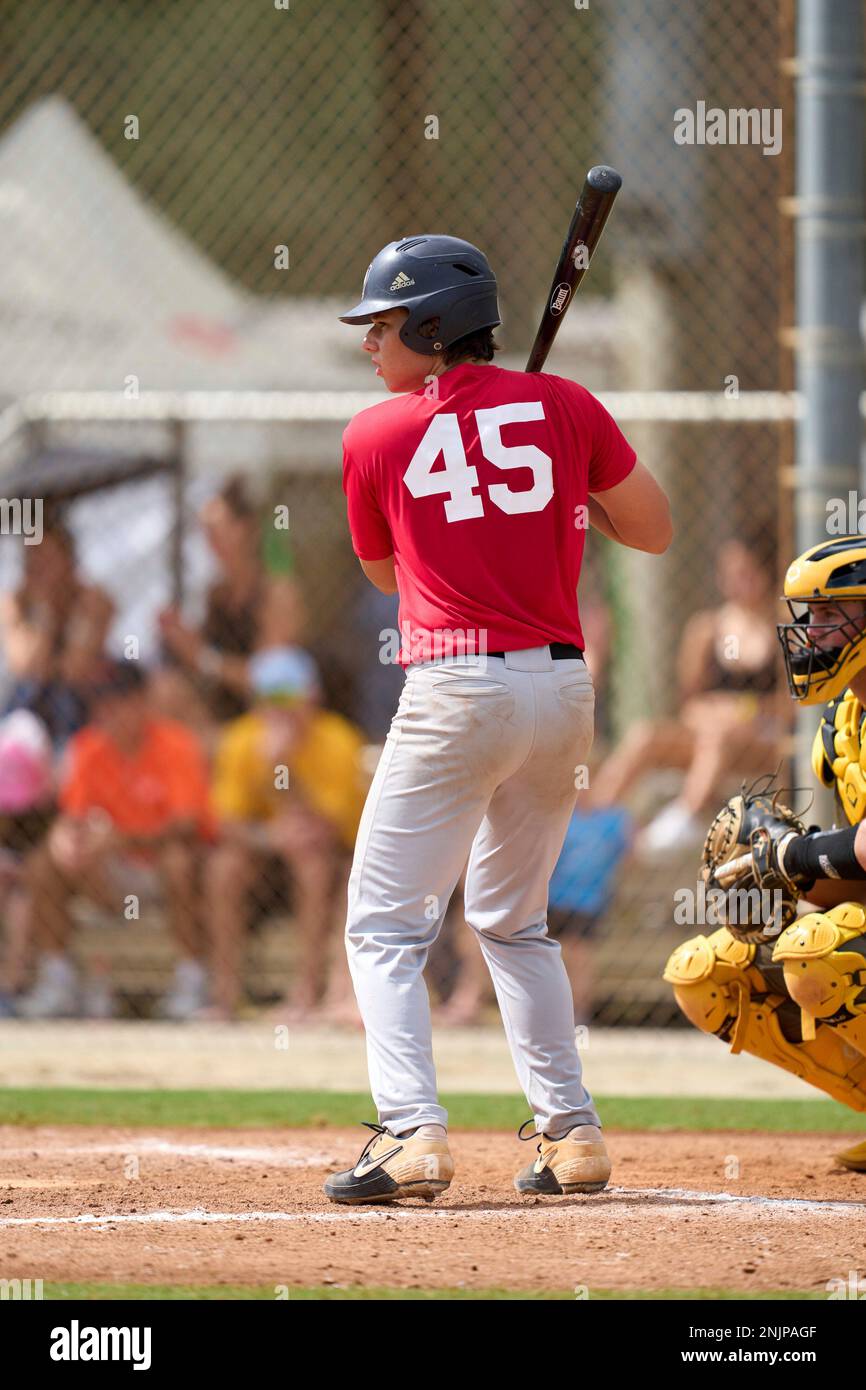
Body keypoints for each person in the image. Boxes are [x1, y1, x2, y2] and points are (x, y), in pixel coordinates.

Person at [322, 234, 672, 1204]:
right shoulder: (564, 407)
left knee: (386, 926)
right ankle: (570, 1132)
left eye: (384, 326)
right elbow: (650, 526)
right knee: (514, 922)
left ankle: (410, 1134)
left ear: (432, 329)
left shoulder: (373, 435)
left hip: (454, 688)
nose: (369, 345)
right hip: (559, 692)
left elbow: (385, 572)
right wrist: (567, 487)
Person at [665, 532, 866, 1172]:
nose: (813, 631)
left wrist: (800, 857)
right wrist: (783, 885)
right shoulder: (840, 727)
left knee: (820, 958)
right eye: (810, 615)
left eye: (832, 615)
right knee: (708, 974)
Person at [18, 660, 212, 1019]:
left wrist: (122, 840)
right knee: (43, 863)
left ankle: (191, 979)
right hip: (106, 873)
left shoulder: (175, 744)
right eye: (101, 703)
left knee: (179, 860)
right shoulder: (89, 747)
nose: (108, 712)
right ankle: (57, 980)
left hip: (159, 873)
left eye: (118, 701)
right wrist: (65, 842)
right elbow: (72, 818)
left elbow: (187, 825)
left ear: (142, 701)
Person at [588, 535, 786, 851]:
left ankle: (683, 818)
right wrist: (718, 714)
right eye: (728, 573)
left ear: (766, 574)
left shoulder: (783, 629)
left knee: (720, 737)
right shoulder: (707, 628)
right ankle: (594, 819)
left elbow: (794, 705)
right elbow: (690, 704)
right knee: (645, 736)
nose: (734, 582)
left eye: (745, 573)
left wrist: (744, 709)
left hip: (763, 739)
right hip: (709, 734)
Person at [205, 646, 368, 1020]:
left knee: (312, 864)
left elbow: (328, 831)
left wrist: (283, 769)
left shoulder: (338, 740)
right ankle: (225, 996)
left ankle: (305, 992)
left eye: (288, 697)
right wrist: (270, 837)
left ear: (312, 696)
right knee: (223, 868)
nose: (279, 709)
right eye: (269, 698)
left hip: (327, 857)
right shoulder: (241, 739)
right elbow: (226, 825)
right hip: (263, 854)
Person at [156, 477, 305, 735]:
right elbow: (202, 658)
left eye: (218, 530)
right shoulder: (216, 594)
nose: (211, 541)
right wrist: (180, 638)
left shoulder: (276, 593)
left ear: (245, 529)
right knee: (165, 690)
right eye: (206, 533)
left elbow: (275, 682)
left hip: (270, 720)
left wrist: (202, 658)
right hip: (219, 714)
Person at [0, 518, 114, 749]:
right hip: (31, 702)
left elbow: (75, 669)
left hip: (83, 698)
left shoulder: (93, 600)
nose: (39, 567)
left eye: (47, 558)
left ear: (68, 560)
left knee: (67, 695)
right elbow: (26, 666)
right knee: (28, 692)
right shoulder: (14, 603)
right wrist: (44, 614)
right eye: (32, 559)